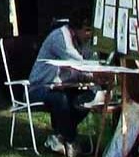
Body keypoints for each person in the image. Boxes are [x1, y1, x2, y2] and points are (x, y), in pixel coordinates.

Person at [28, 9, 104, 157]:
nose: (89, 35)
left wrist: (97, 79)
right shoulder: (60, 38)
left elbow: (92, 62)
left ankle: (58, 137)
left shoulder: (85, 41)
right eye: (87, 30)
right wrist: (96, 74)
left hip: (66, 87)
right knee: (60, 99)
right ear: (75, 29)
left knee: (88, 98)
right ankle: (71, 140)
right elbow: (78, 62)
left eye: (91, 31)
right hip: (41, 87)